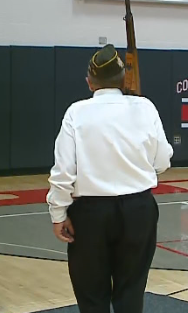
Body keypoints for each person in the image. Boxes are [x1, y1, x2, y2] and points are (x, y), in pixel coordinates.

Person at [47, 44, 173, 313]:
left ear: (89, 82)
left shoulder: (76, 112)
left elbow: (63, 172)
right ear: (123, 79)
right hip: (138, 209)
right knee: (131, 292)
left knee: (92, 296)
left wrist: (58, 214)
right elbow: (163, 161)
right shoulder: (146, 107)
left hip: (90, 214)